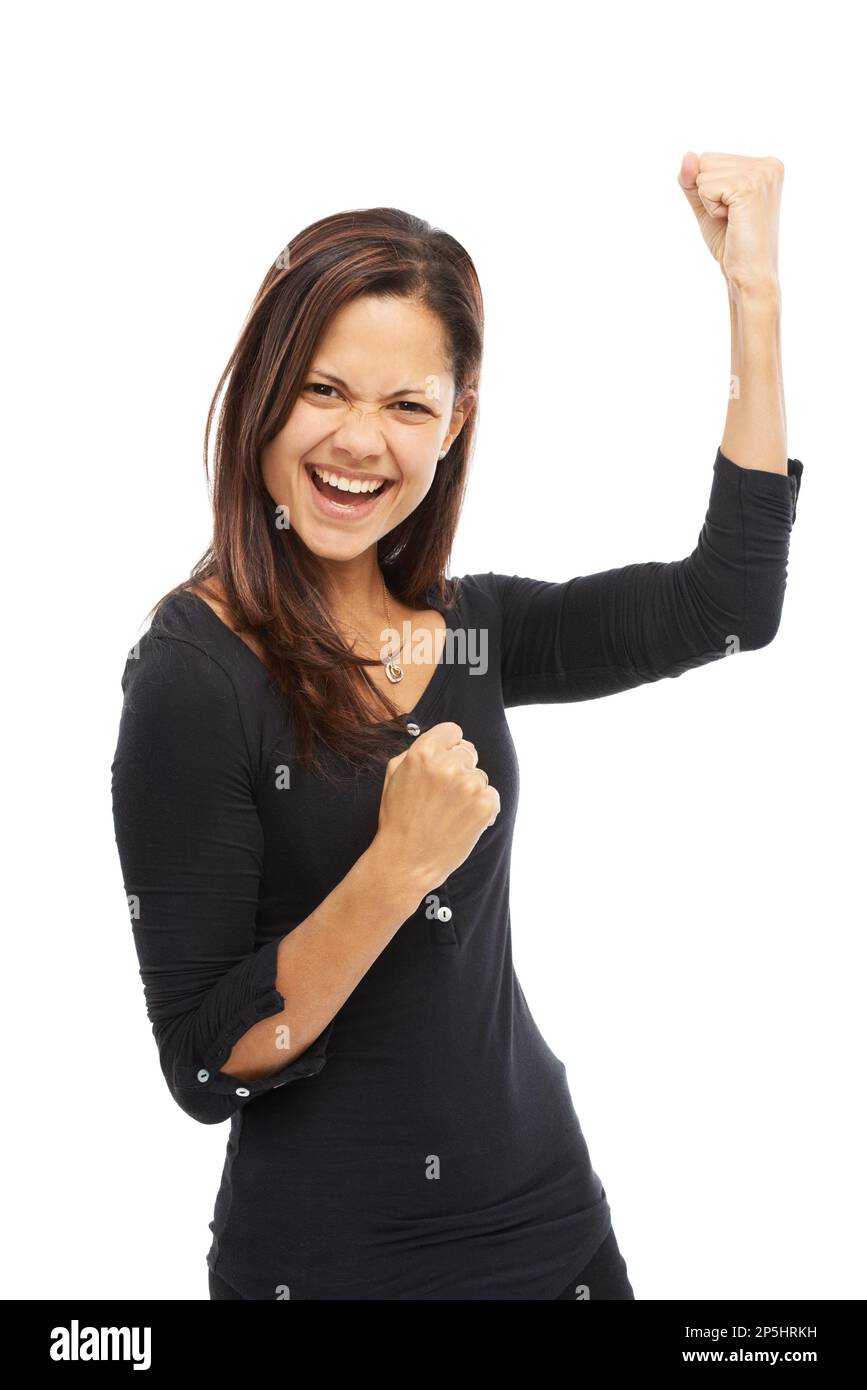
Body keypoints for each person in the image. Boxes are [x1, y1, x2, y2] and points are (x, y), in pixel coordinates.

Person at [111, 160, 803, 1300]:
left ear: (455, 423)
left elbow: (727, 609)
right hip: (334, 1271)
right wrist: (398, 865)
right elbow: (205, 1062)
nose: (358, 443)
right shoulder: (192, 673)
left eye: (407, 405)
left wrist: (755, 295)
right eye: (324, 390)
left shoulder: (470, 631)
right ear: (262, 391)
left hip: (555, 1231)